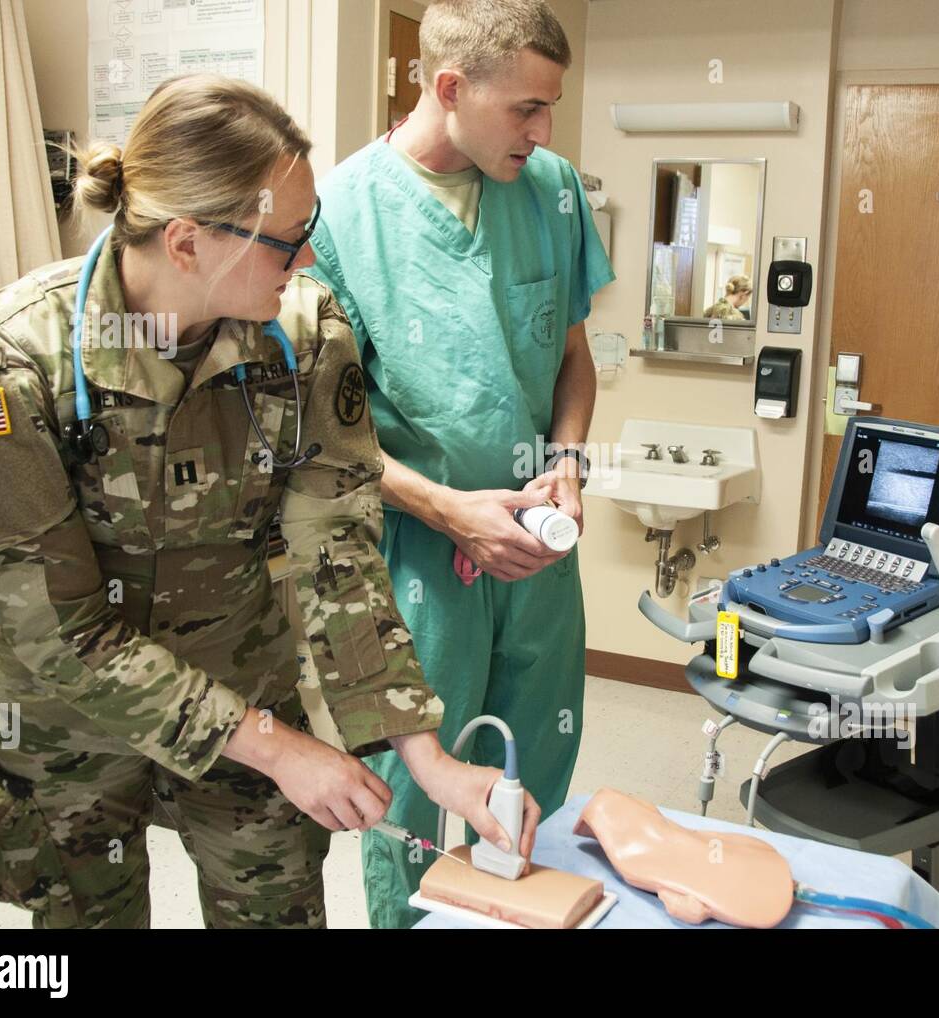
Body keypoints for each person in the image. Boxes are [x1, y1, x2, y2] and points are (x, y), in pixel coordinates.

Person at [0, 73, 537, 929]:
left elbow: (339, 554)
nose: (305, 259)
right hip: (65, 723)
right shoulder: (5, 364)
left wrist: (426, 756)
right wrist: (285, 750)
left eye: (311, 228)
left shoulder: (302, 335)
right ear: (186, 242)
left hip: (241, 683)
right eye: (286, 238)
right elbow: (61, 633)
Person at [307, 0, 614, 927]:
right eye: (524, 108)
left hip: (537, 547)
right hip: (420, 555)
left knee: (534, 767)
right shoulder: (339, 218)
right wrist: (446, 508)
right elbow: (325, 438)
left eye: (550, 106)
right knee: (416, 788)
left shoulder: (552, 190)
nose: (543, 130)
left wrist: (565, 459)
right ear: (449, 88)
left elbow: (571, 357)